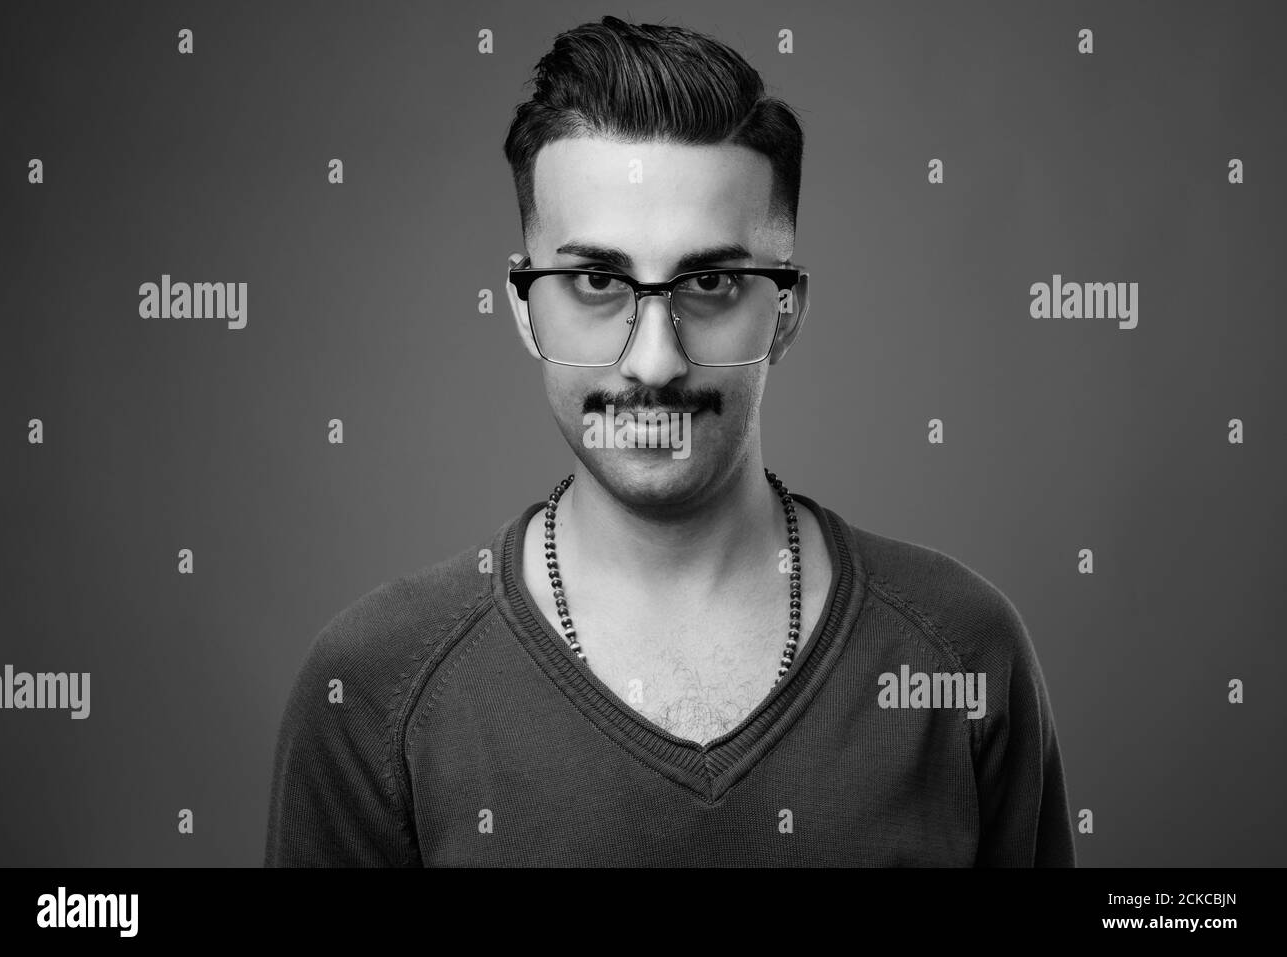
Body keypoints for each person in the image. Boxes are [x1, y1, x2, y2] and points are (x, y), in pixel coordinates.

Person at [264, 14, 1075, 867]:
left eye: (713, 281)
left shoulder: (960, 651)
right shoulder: (373, 688)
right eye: (597, 281)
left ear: (788, 307)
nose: (653, 360)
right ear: (523, 307)